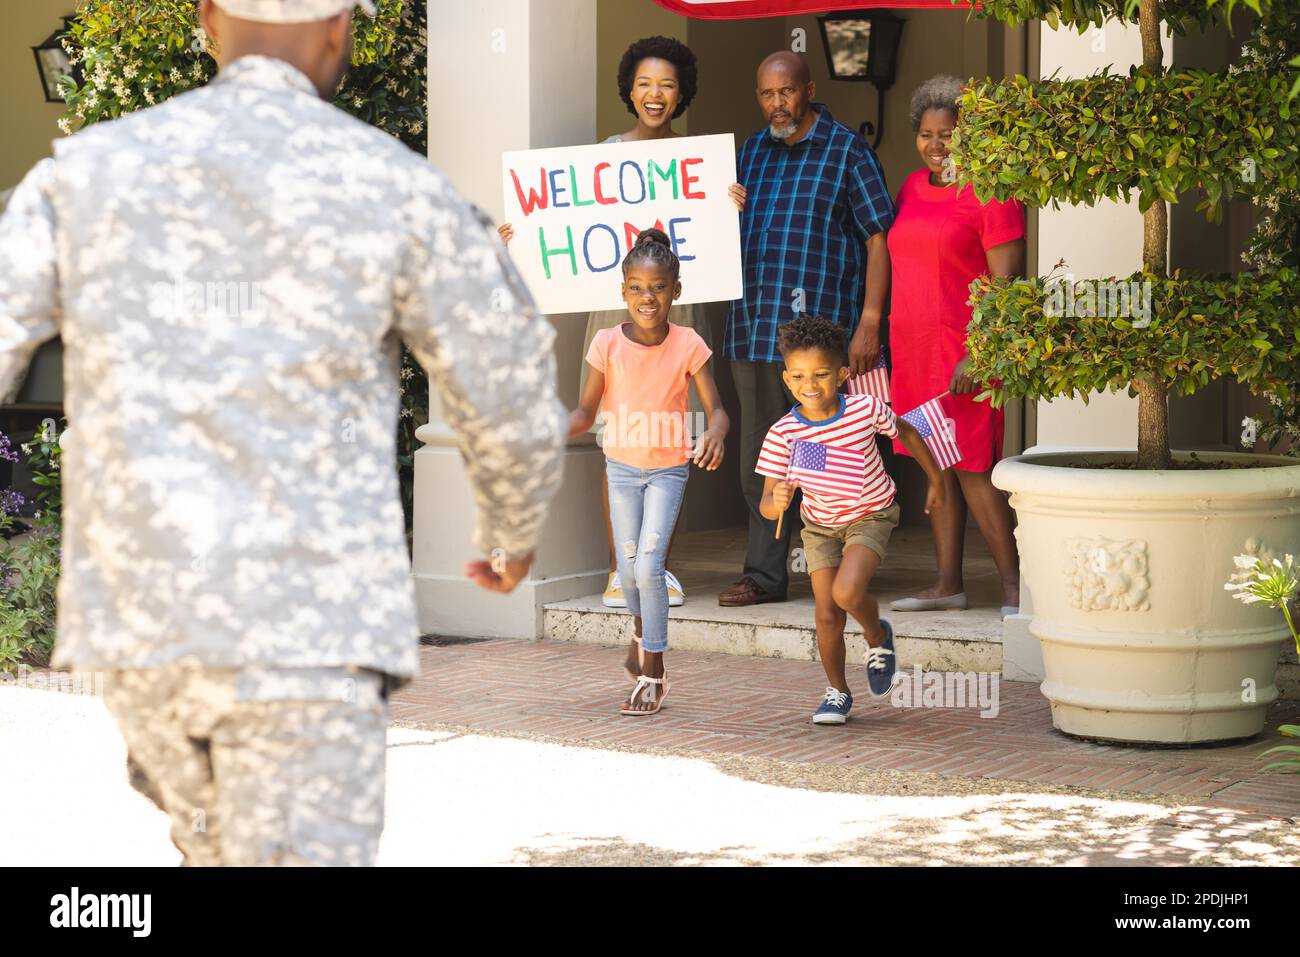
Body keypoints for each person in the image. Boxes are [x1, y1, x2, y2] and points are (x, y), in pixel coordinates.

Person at [0, 0, 566, 866]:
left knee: (218, 843)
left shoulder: (87, 171)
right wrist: (512, 528)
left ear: (207, 21)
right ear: (339, 26)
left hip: (145, 622)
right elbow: (509, 371)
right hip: (311, 623)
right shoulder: (393, 184)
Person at [500, 36, 744, 610]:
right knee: (620, 440)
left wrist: (730, 206)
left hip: (677, 317)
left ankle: (658, 568)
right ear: (629, 91)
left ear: (681, 92)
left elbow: (713, 243)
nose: (654, 95)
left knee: (669, 439)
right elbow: (565, 220)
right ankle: (619, 570)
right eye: (644, 84)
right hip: (615, 316)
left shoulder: (701, 164)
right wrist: (523, 235)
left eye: (666, 85)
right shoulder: (603, 157)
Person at [720, 51, 894, 609]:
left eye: (786, 93)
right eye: (767, 95)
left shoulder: (847, 150)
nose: (777, 105)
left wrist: (870, 320)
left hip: (819, 346)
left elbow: (877, 238)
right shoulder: (751, 153)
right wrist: (726, 209)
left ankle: (837, 560)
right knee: (762, 462)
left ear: (809, 89)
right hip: (754, 329)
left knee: (825, 454)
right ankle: (765, 576)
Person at [569, 229, 729, 715]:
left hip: (667, 471)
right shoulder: (605, 344)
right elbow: (583, 411)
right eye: (636, 287)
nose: (647, 297)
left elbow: (717, 410)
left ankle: (654, 670)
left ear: (675, 291)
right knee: (629, 574)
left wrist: (715, 433)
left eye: (658, 287)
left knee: (648, 566)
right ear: (622, 291)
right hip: (620, 470)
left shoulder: (689, 344)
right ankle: (643, 637)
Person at [757, 316, 943, 725]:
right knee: (826, 613)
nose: (811, 384)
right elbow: (767, 505)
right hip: (819, 525)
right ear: (787, 379)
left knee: (846, 592)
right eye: (800, 376)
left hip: (871, 513)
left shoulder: (864, 410)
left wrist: (935, 478)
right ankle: (838, 692)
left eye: (822, 374)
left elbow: (907, 433)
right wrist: (779, 498)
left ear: (841, 374)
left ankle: (877, 635)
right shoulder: (783, 434)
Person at [886, 75, 1023, 619]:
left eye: (949, 134)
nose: (936, 145)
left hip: (963, 355)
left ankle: (1015, 588)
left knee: (974, 470)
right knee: (935, 468)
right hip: (913, 350)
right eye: (926, 134)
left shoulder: (992, 191)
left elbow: (1007, 286)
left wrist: (979, 351)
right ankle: (948, 583)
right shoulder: (911, 188)